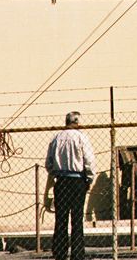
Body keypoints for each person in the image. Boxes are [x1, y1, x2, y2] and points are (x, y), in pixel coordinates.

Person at [45, 111, 96, 260]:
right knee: (77, 219)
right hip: (78, 181)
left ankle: (60, 253)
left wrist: (56, 173)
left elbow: (49, 163)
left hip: (61, 181)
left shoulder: (56, 138)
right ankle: (77, 254)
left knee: (61, 219)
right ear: (77, 122)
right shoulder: (82, 138)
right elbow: (89, 161)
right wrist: (89, 179)